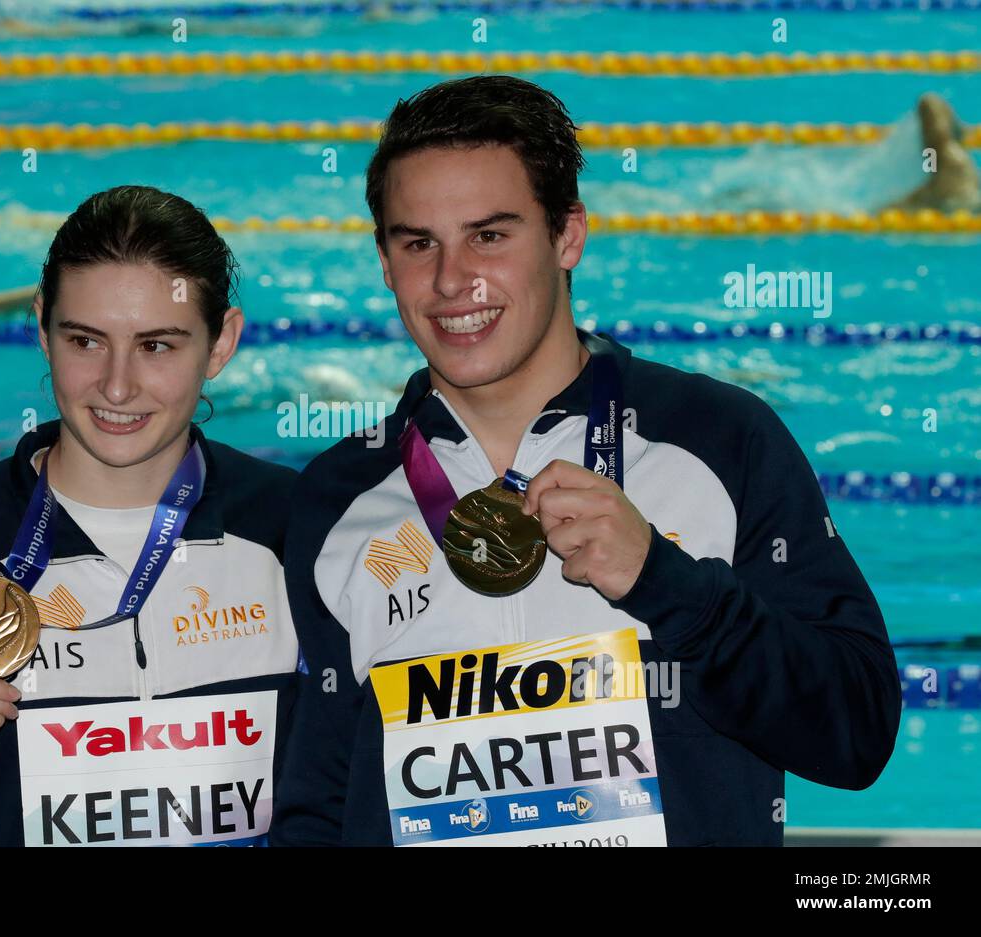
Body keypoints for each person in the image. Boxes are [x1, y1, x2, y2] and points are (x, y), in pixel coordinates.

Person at [270, 76, 901, 847]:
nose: (449, 280)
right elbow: (319, 805)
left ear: (568, 235)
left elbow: (857, 732)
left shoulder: (719, 440)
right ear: (384, 258)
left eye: (490, 236)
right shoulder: (339, 496)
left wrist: (672, 587)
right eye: (418, 243)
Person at [0, 185, 300, 846]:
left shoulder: (295, 530)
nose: (117, 385)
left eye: (157, 346)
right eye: (86, 341)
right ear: (42, 329)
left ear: (220, 343)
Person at [883, 92, 980, 213]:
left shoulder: (944, 154)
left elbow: (928, 101)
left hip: (956, 202)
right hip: (961, 201)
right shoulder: (954, 156)